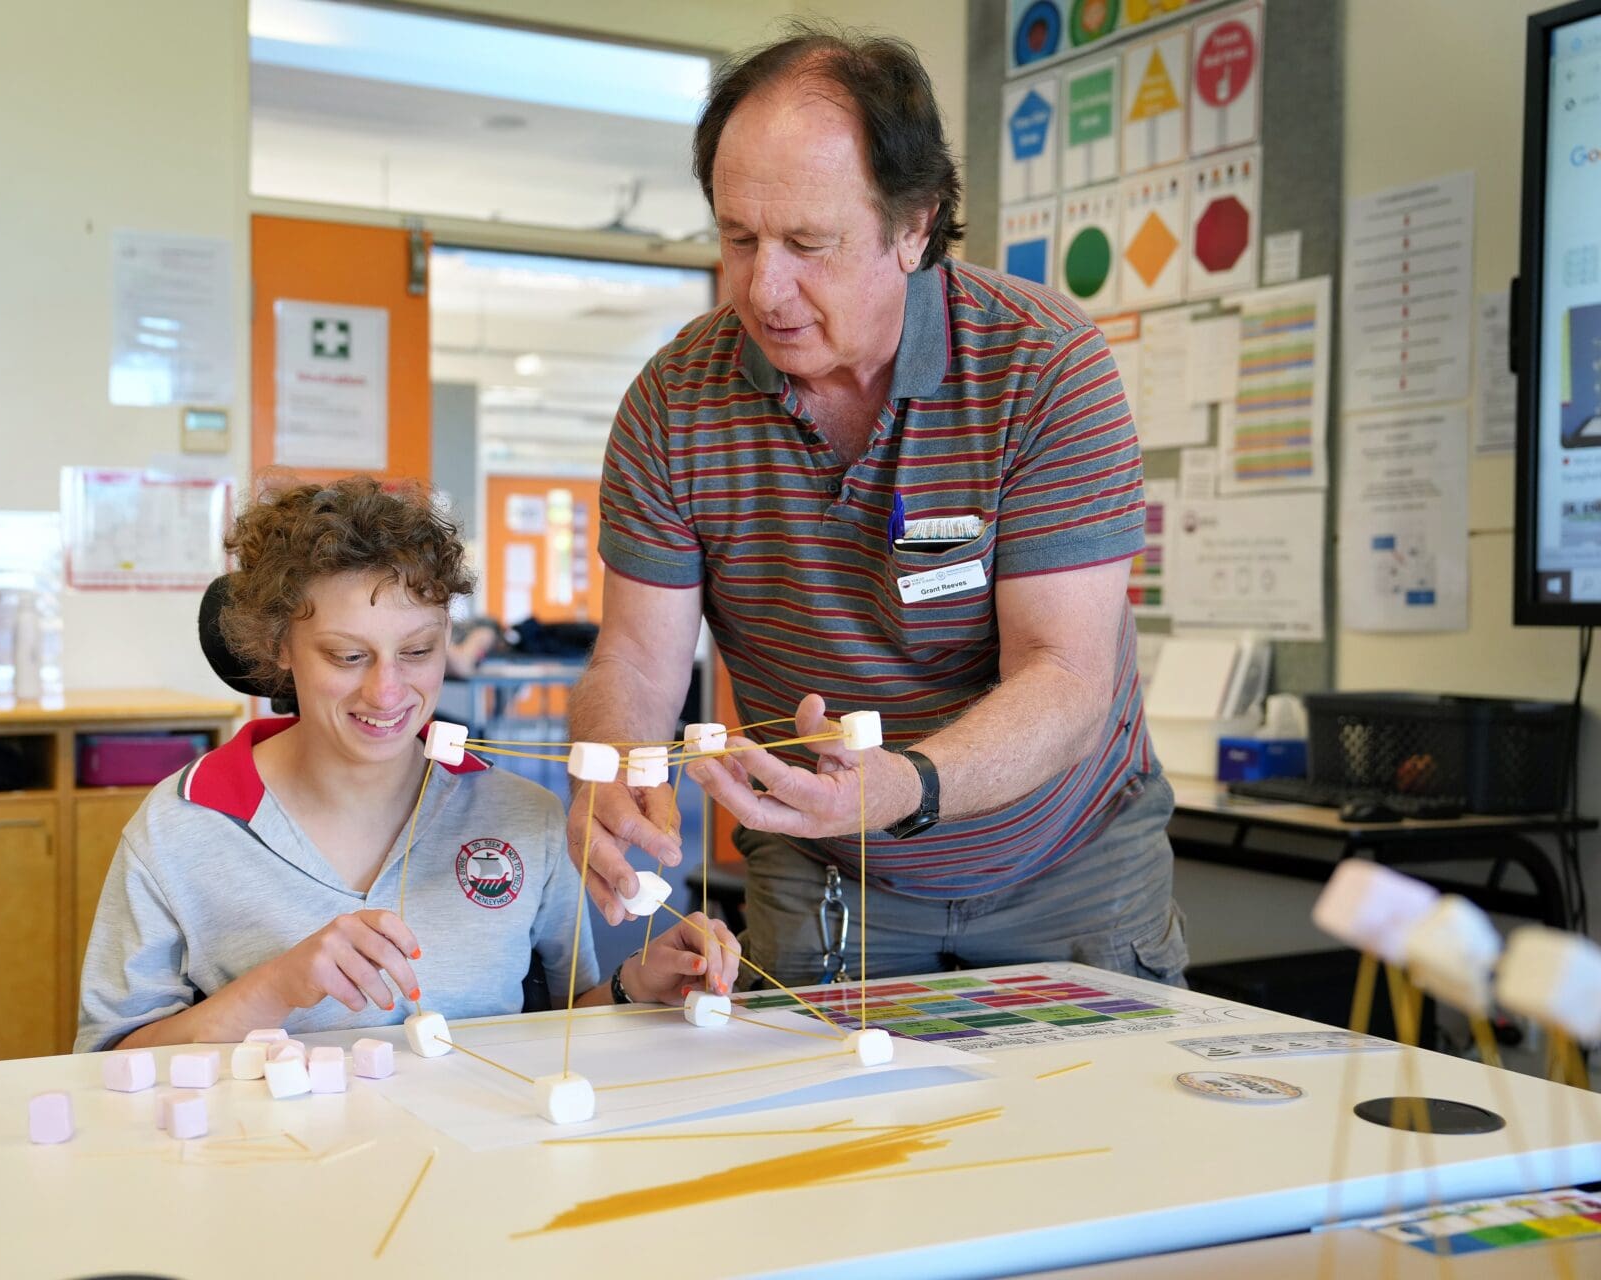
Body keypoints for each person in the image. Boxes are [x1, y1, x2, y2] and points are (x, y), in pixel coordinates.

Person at [567, 25, 1187, 989]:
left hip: (1068, 862)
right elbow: (639, 658)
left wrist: (905, 785)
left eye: (809, 244)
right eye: (739, 239)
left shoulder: (1042, 367)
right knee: (819, 1128)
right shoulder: (674, 400)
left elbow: (1067, 677)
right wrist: (608, 769)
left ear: (913, 228)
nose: (764, 288)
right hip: (828, 868)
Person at [77, 477, 738, 1052]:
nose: (388, 694)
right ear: (280, 646)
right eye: (347, 657)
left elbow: (559, 1034)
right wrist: (274, 989)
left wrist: (636, 986)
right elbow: (108, 1062)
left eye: (417, 652)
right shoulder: (180, 827)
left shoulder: (524, 818)